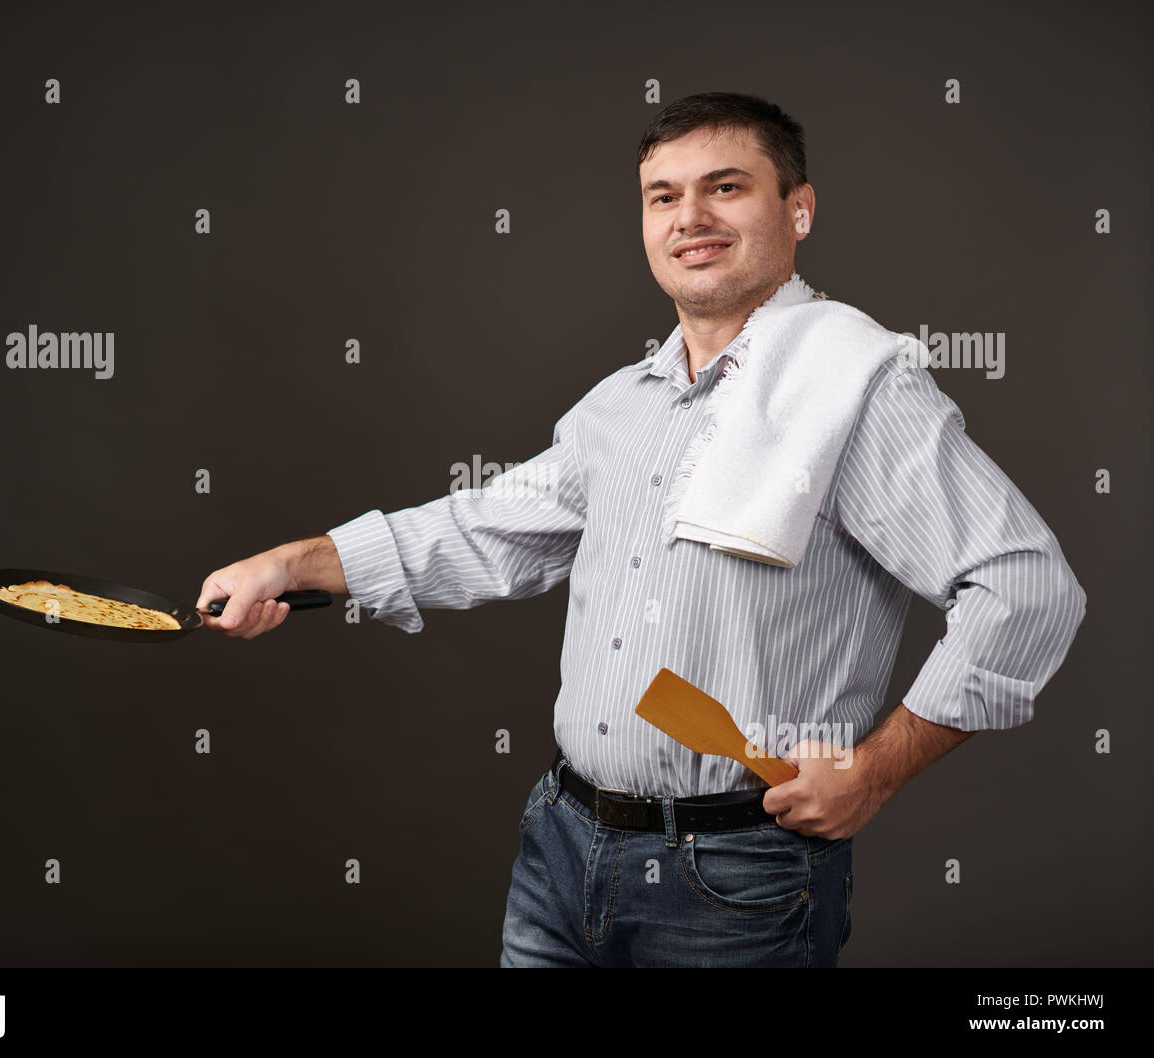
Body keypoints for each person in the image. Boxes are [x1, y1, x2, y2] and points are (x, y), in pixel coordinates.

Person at [195, 92, 1087, 967]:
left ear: (800, 210)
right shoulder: (619, 407)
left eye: (726, 187)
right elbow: (488, 530)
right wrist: (292, 563)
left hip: (737, 875)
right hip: (561, 843)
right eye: (664, 196)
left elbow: (1025, 586)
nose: (690, 216)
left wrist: (879, 767)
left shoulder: (859, 387)